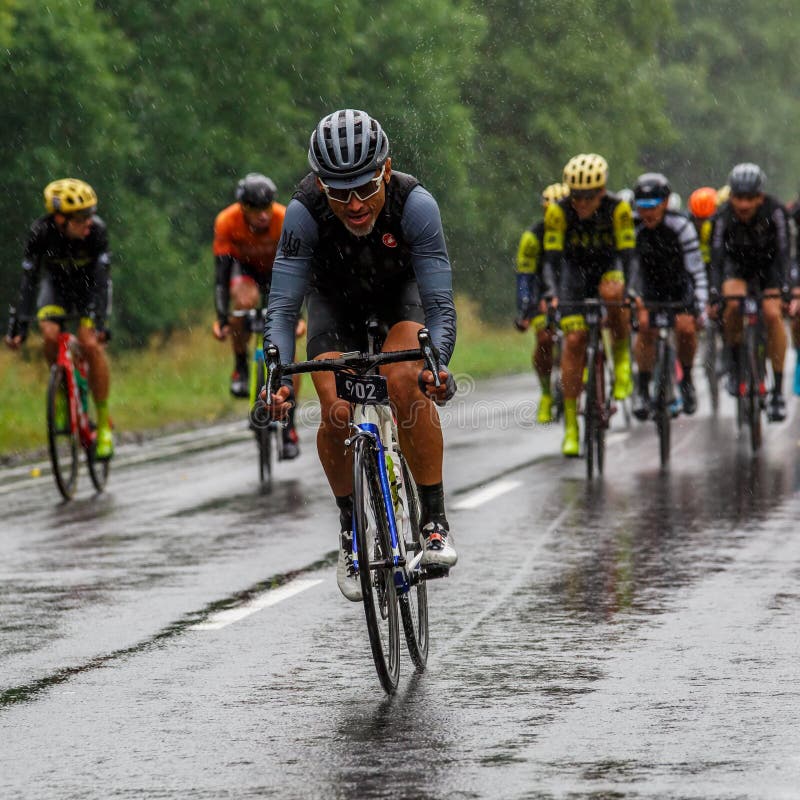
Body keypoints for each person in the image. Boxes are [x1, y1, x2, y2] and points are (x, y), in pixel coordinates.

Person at [262, 109, 458, 601]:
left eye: (365, 188)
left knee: (407, 379)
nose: (353, 204)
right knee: (337, 411)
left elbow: (438, 304)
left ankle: (433, 520)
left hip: (401, 300)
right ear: (319, 183)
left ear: (386, 171)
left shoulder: (415, 204)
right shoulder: (304, 211)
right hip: (334, 306)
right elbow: (283, 309)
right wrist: (278, 380)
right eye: (338, 190)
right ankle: (351, 531)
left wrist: (438, 364)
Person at [5, 178, 114, 458]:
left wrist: (99, 322)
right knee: (50, 334)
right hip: (57, 288)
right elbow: (29, 281)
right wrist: (19, 324)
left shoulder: (97, 232)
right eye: (81, 217)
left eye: (91, 213)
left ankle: (103, 425)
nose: (89, 221)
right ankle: (63, 398)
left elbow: (102, 282)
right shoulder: (40, 233)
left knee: (90, 343)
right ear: (59, 218)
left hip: (90, 290)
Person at [541, 153, 636, 457]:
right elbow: (551, 261)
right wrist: (553, 293)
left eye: (589, 196)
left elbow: (629, 255)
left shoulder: (617, 208)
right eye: (576, 195)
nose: (582, 203)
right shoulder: (558, 211)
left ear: (602, 191)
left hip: (607, 269)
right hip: (573, 276)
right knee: (574, 341)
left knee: (614, 293)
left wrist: (629, 290)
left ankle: (621, 359)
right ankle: (571, 425)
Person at [212, 173, 302, 458]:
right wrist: (223, 318)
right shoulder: (227, 221)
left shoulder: (285, 218)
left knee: (290, 350)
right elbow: (221, 274)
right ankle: (241, 365)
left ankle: (289, 426)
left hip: (280, 272)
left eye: (267, 208)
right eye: (255, 210)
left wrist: (297, 315)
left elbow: (299, 270)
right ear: (243, 208)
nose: (263, 216)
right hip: (247, 274)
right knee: (242, 302)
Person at [710, 163, 790, 422]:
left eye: (750, 198)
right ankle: (735, 365)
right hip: (737, 267)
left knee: (773, 314)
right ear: (730, 195)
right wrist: (714, 293)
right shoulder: (722, 215)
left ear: (760, 196)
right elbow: (717, 258)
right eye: (738, 198)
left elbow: (784, 252)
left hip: (769, 267)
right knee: (732, 305)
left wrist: (786, 288)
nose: (743, 205)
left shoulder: (775, 211)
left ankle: (777, 391)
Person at [629, 173, 708, 419]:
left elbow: (696, 268)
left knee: (685, 329)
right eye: (642, 208)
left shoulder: (681, 226)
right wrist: (632, 297)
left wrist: (702, 303)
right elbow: (629, 269)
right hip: (648, 287)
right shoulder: (634, 228)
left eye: (652, 207)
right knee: (644, 326)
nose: (647, 214)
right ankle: (642, 387)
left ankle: (686, 379)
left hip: (678, 286)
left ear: (664, 203)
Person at [514, 182, 569, 423]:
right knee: (544, 337)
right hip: (540, 292)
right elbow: (524, 278)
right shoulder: (532, 237)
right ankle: (546, 392)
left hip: (570, 289)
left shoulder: (577, 232)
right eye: (549, 212)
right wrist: (526, 309)